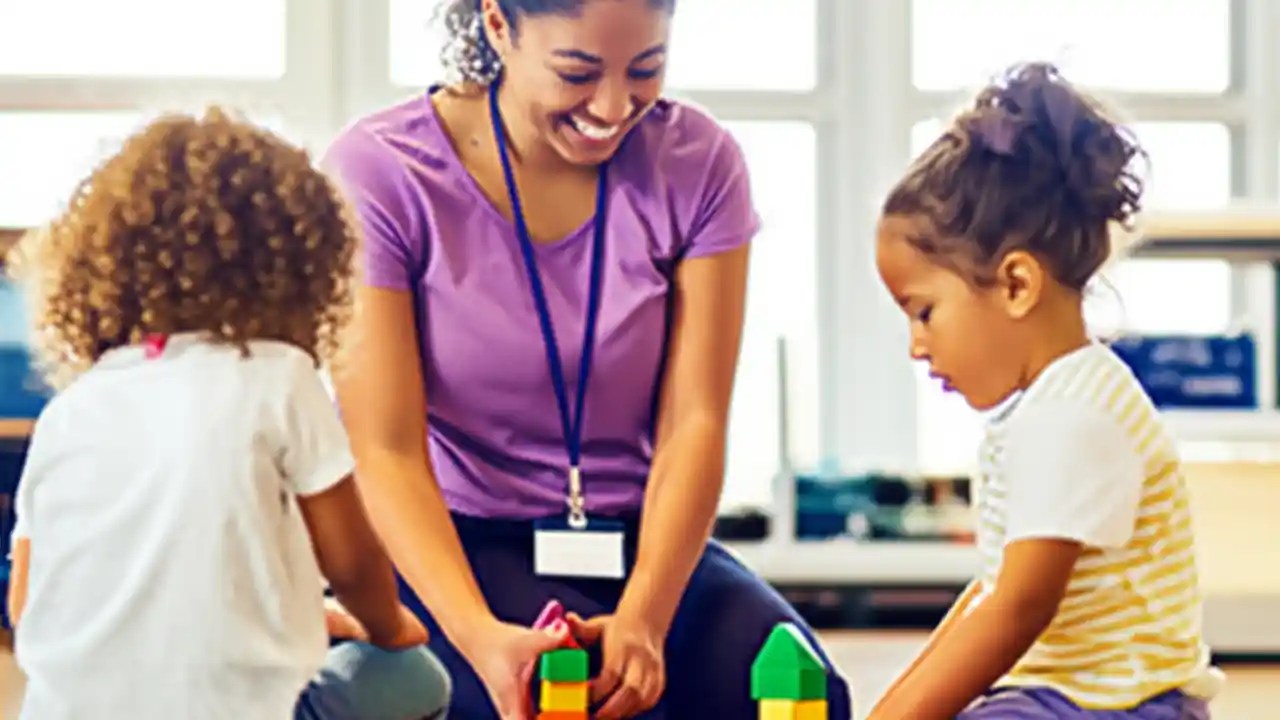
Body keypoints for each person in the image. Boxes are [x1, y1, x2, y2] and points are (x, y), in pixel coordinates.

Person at [320, 0, 853, 718]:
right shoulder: (381, 172)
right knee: (566, 696)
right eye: (577, 72)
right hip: (456, 544)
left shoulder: (699, 164)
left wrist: (647, 616)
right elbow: (384, 451)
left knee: (793, 685)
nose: (612, 107)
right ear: (499, 25)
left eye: (646, 69)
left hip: (640, 540)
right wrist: (480, 640)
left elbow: (695, 421)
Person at [4, 108, 452, 720]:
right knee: (416, 681)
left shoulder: (72, 409)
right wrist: (389, 625)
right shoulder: (279, 377)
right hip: (237, 707)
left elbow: (30, 604)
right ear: (300, 269)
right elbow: (351, 560)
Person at [868, 62, 1222, 719]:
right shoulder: (1053, 404)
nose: (917, 345)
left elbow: (1018, 608)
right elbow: (990, 594)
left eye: (924, 312)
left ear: (1016, 285)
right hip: (1066, 699)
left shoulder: (1074, 415)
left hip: (1119, 707)